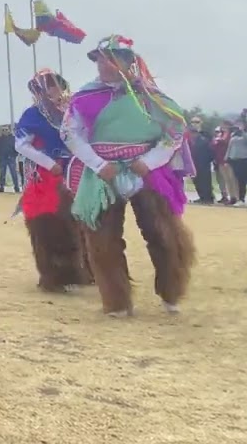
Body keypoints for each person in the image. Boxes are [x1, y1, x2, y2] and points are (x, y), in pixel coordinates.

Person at [63, 35, 196, 317]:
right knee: (102, 238)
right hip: (101, 172)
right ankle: (116, 301)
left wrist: (150, 161)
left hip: (147, 171)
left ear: (127, 62)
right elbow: (70, 134)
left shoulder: (150, 97)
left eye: (109, 58)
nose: (102, 64)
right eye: (98, 59)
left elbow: (173, 131)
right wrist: (98, 164)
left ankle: (171, 291)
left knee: (163, 232)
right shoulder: (84, 98)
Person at [14, 69, 93, 293]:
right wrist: (50, 163)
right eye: (47, 86)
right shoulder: (33, 114)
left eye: (56, 85)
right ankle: (55, 274)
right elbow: (21, 145)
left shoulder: (72, 111)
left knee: (85, 221)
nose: (53, 90)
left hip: (77, 171)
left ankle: (87, 270)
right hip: (49, 176)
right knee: (51, 223)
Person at [0, 127, 20, 193]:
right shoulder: (0, 139)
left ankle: (16, 187)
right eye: (3, 130)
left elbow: (17, 147)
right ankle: (2, 187)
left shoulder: (13, 138)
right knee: (2, 174)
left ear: (9, 130)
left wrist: (14, 155)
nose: (5, 131)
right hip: (2, 158)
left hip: (11, 157)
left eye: (6, 129)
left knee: (13, 173)